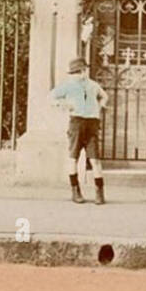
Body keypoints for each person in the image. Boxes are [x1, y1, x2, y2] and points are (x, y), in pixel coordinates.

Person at [49, 57, 108, 204]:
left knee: (95, 159)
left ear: (84, 71)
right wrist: (64, 105)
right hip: (76, 122)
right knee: (73, 158)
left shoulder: (93, 85)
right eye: (74, 73)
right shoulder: (68, 86)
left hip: (92, 123)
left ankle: (99, 193)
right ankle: (75, 191)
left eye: (79, 71)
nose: (77, 75)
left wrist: (100, 106)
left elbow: (104, 96)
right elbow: (52, 97)